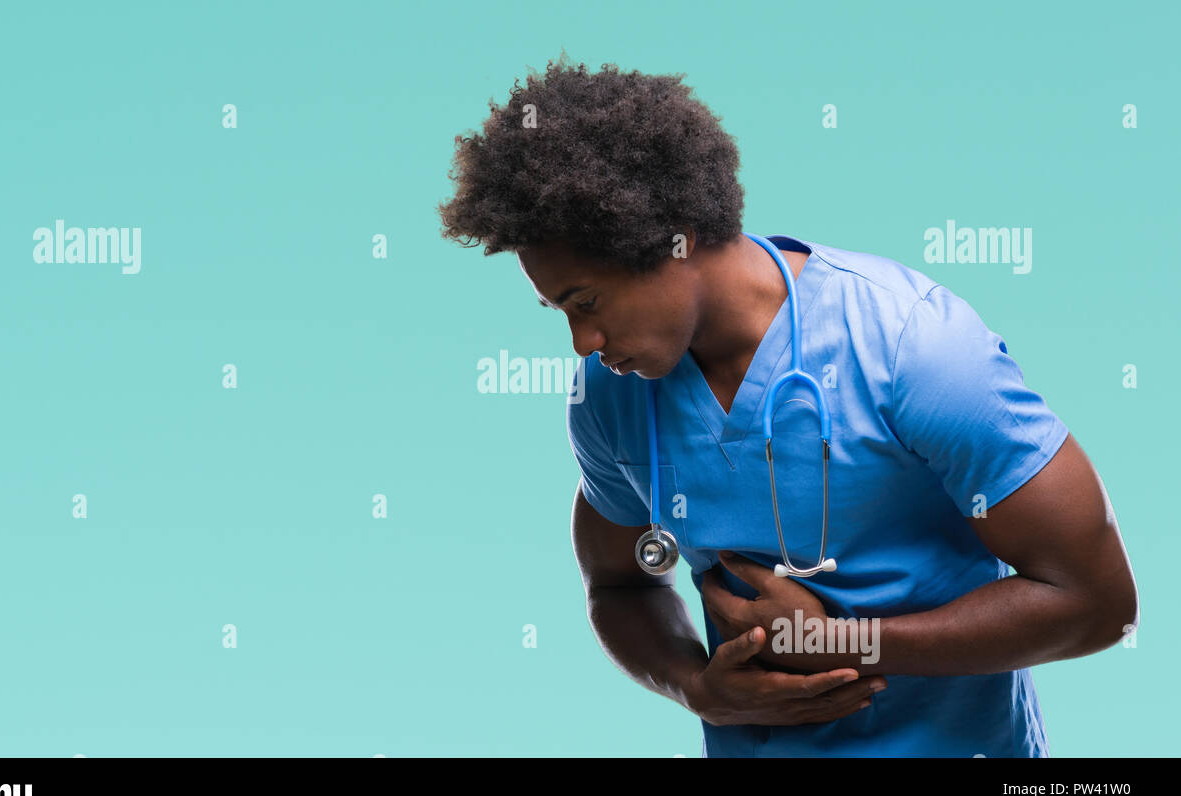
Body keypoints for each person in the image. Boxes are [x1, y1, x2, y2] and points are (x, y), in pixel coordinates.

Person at [437, 56, 1138, 756]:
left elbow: (1097, 603)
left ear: (670, 236)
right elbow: (619, 586)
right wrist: (694, 685)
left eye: (586, 302)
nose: (582, 343)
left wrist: (841, 643)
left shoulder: (910, 346)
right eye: (557, 309)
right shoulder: (610, 399)